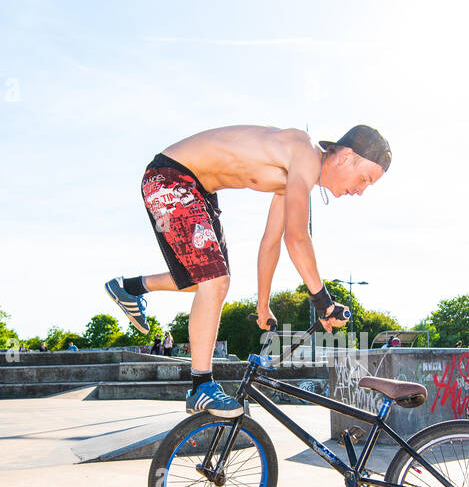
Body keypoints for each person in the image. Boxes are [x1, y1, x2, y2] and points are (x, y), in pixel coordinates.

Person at [106, 124, 390, 416]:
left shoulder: (293, 178)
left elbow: (271, 242)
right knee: (214, 280)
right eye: (365, 179)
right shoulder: (304, 152)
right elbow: (298, 237)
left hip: (197, 191)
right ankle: (201, 386)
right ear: (345, 157)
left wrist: (263, 304)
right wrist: (323, 301)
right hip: (171, 177)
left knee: (202, 280)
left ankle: (130, 287)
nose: (361, 190)